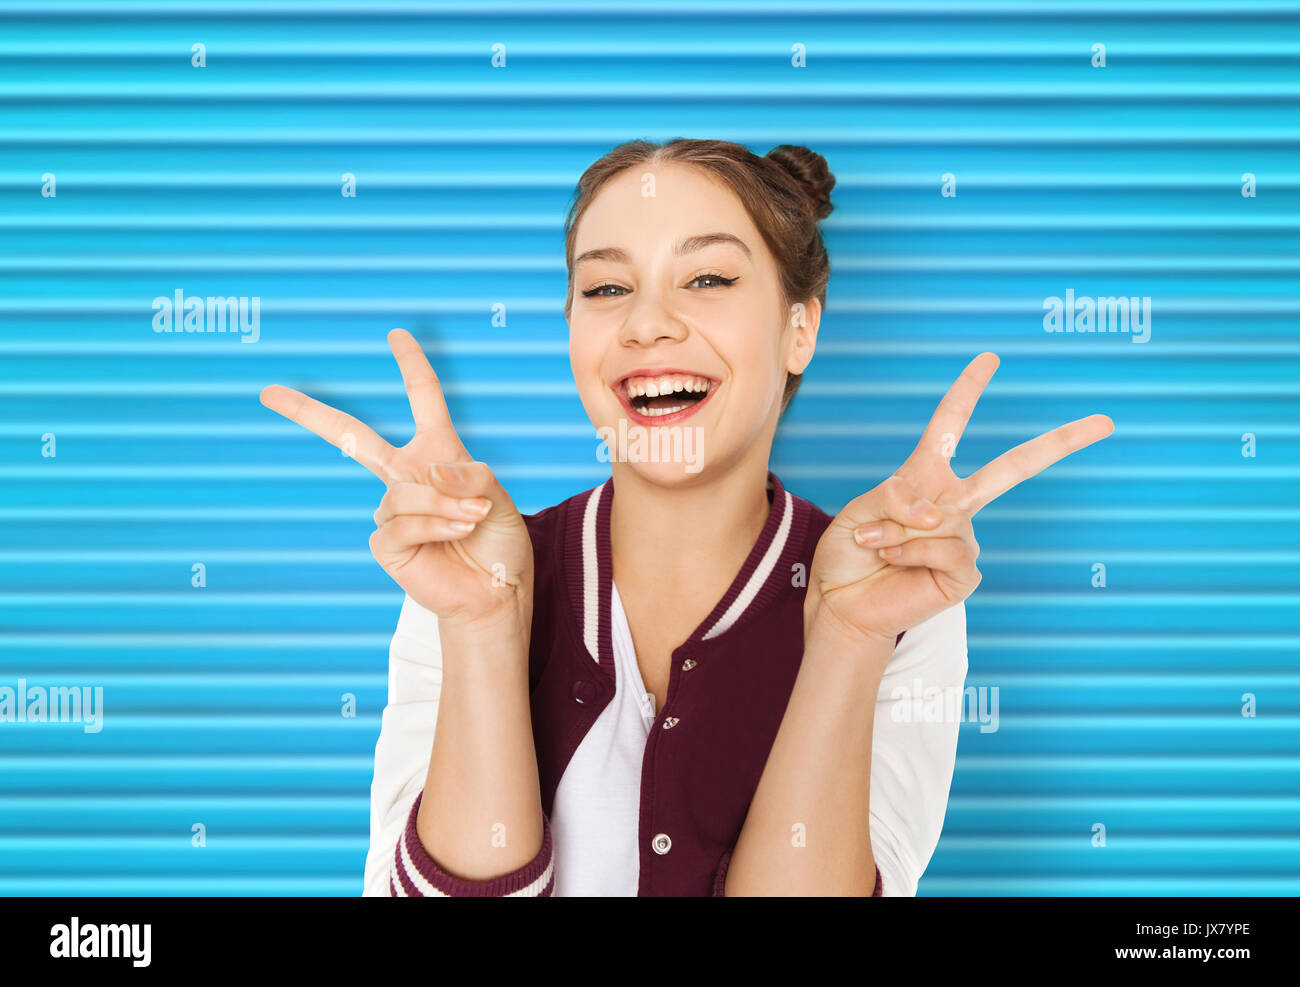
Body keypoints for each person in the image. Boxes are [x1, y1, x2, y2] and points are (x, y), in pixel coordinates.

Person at [260, 138, 1113, 896]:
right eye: (606, 286)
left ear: (799, 329)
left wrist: (848, 638)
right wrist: (484, 627)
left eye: (707, 278)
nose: (648, 323)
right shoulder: (463, 574)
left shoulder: (902, 593)